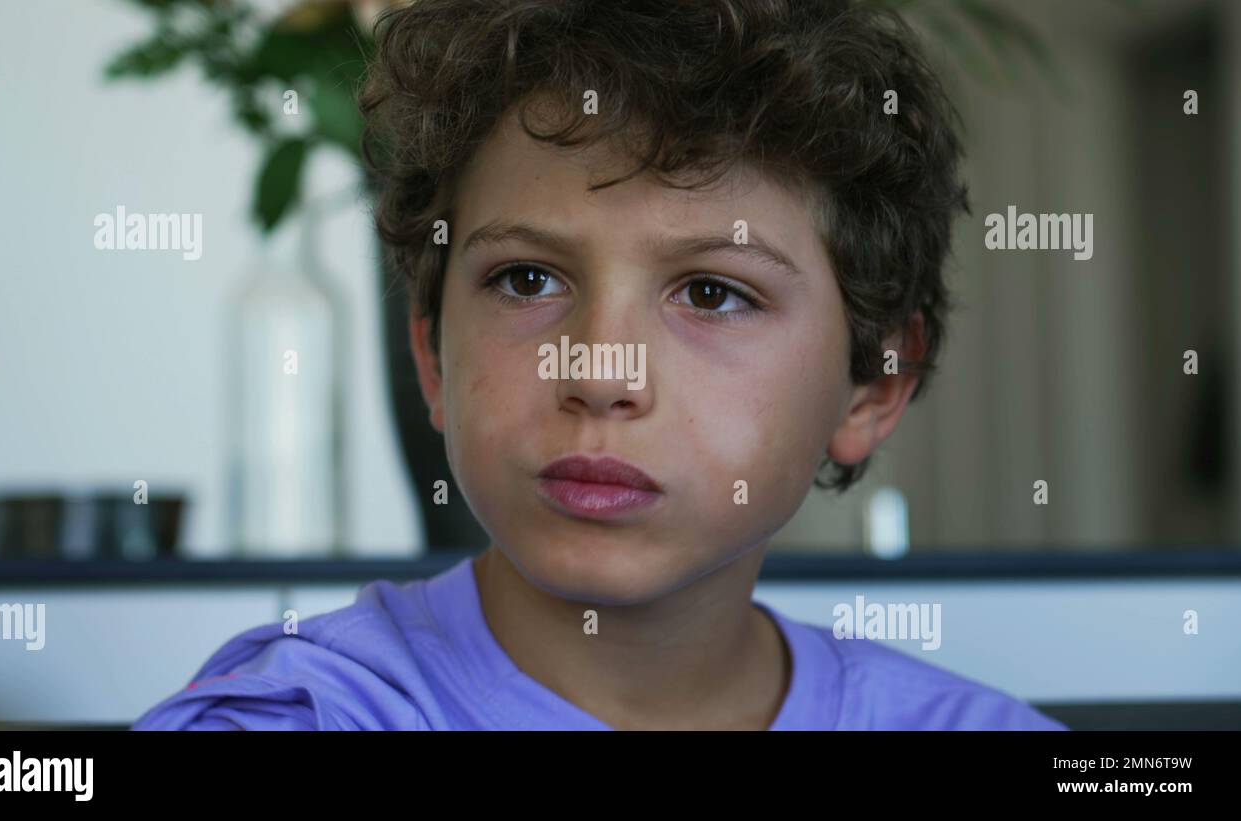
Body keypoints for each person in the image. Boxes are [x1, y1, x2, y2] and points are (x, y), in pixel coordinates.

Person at [135, 0, 1066, 730]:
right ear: (431, 354)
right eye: (527, 277)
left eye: (711, 293)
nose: (601, 372)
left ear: (874, 384)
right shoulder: (287, 718)